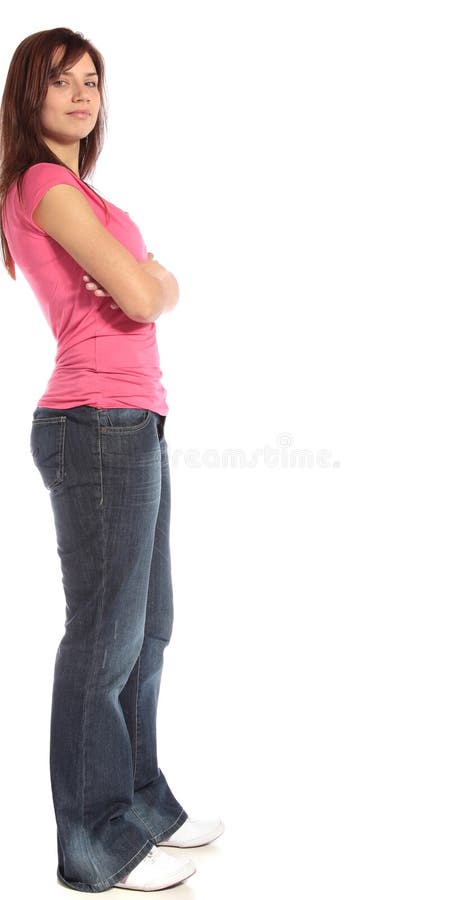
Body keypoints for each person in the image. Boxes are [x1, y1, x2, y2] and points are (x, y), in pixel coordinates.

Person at [0, 27, 224, 893]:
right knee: (104, 640)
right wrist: (146, 278)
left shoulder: (81, 192)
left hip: (134, 418)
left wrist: (150, 281)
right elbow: (144, 291)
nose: (82, 94)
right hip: (93, 421)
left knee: (149, 629)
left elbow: (158, 286)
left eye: (92, 80)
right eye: (62, 81)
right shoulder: (42, 183)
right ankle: (91, 843)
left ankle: (140, 805)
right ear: (30, 94)